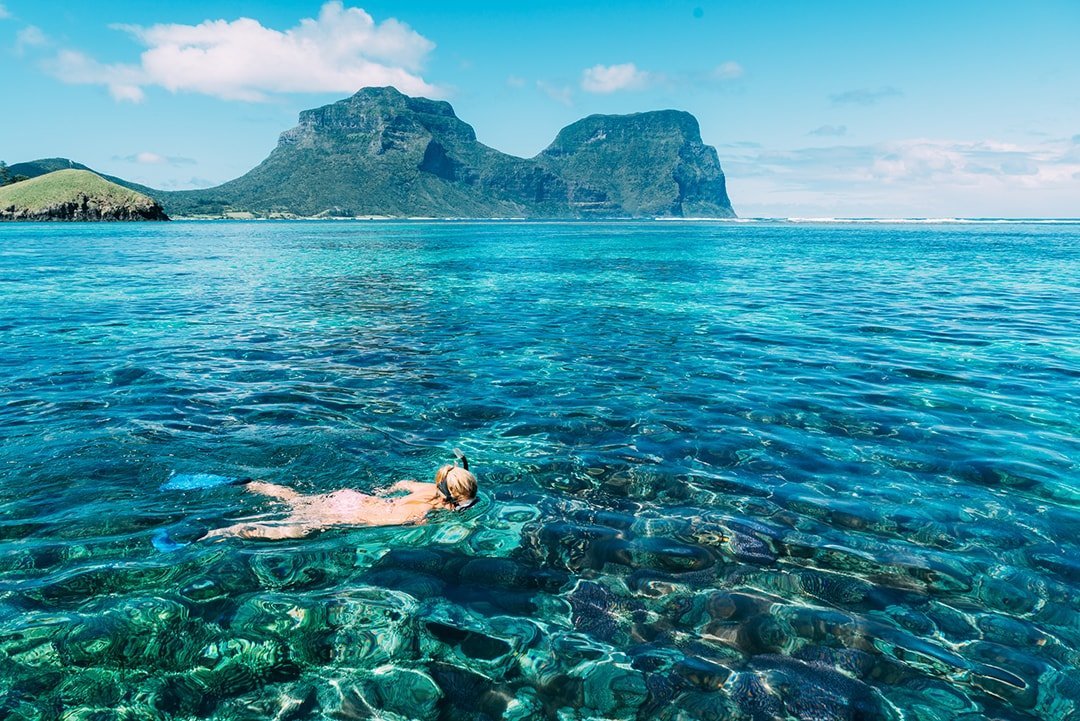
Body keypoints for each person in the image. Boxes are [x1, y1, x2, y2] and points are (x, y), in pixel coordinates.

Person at [200, 452, 478, 541]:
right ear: (452, 499)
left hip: (351, 498)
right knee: (291, 531)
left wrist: (383, 493)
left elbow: (402, 482)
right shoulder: (422, 515)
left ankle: (248, 483)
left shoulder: (428, 488)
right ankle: (214, 533)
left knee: (295, 500)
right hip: (345, 514)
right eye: (464, 503)